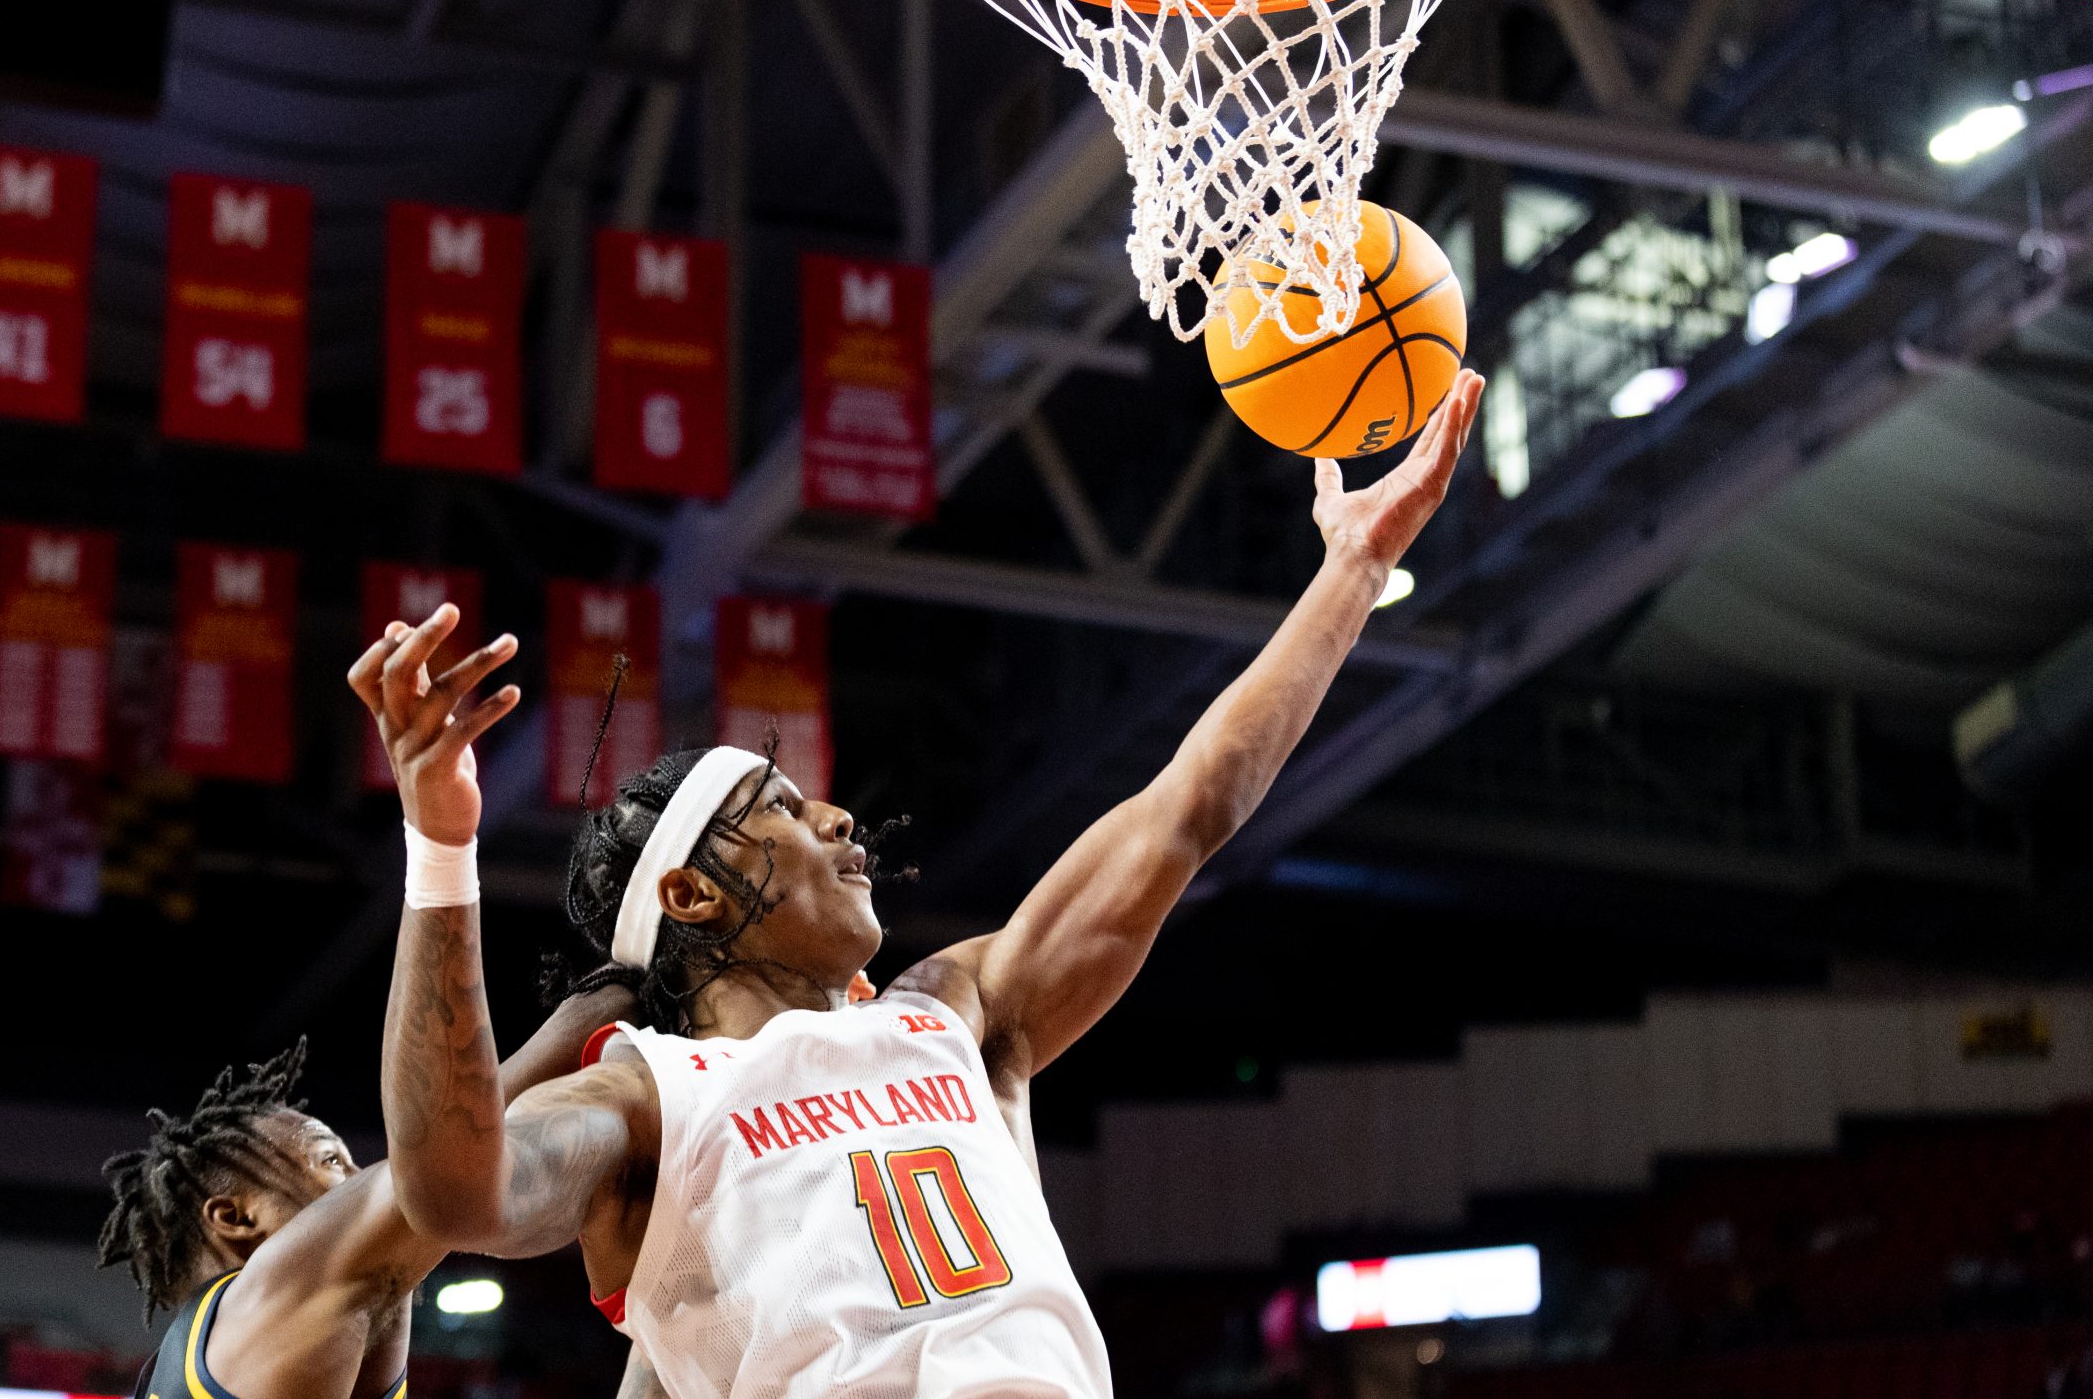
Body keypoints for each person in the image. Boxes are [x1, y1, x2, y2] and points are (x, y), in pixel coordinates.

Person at [353, 371, 1484, 1399]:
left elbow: (1186, 811)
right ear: (693, 897)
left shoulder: (957, 1012)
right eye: (779, 810)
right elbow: (454, 1193)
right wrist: (441, 846)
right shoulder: (650, 1098)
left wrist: (1352, 572)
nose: (837, 816)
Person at [97, 999, 632, 1399]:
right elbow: (450, 1161)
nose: (362, 1178)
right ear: (236, 1217)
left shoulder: (229, 1360)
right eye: (331, 1161)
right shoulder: (263, 1299)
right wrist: (629, 984)